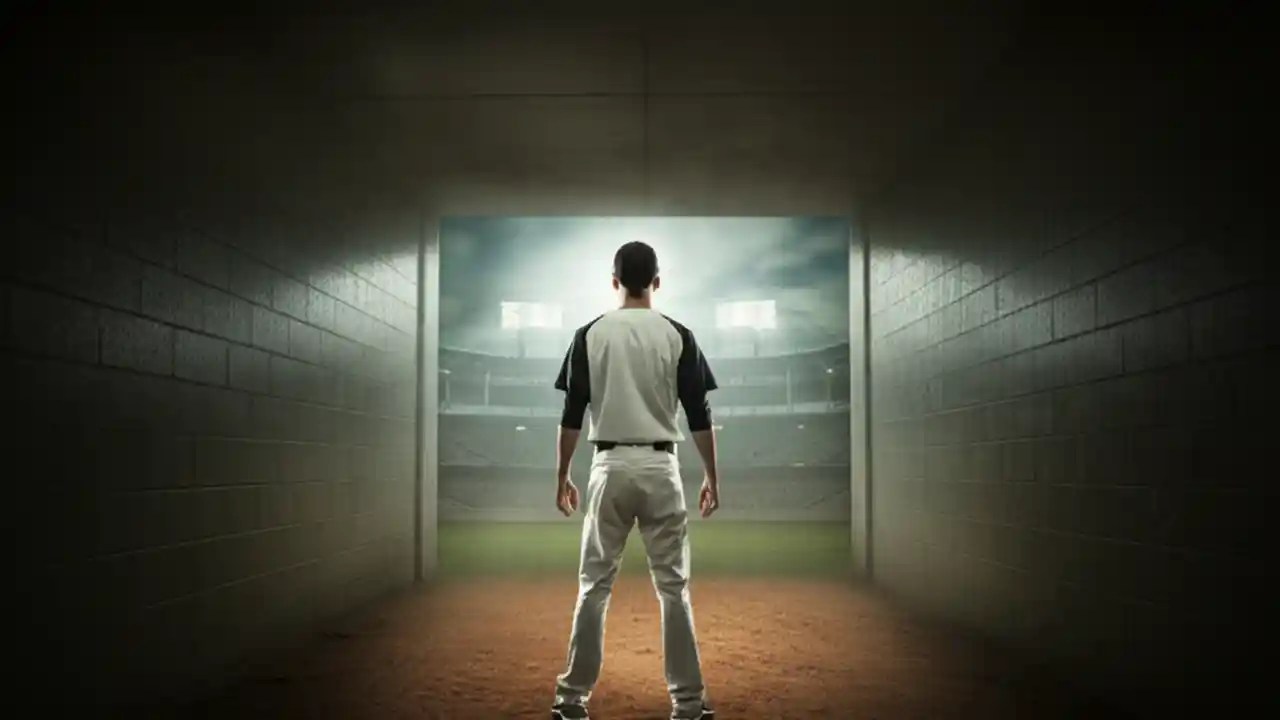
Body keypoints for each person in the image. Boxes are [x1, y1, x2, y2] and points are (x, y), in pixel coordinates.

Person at [549, 241, 720, 720]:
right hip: (662, 468)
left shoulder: (590, 333)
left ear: (615, 281)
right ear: (658, 282)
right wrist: (711, 476)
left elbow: (571, 414)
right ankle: (688, 705)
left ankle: (570, 701)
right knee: (674, 589)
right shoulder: (678, 334)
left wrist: (563, 474)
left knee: (593, 588)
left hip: (608, 467)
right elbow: (699, 416)